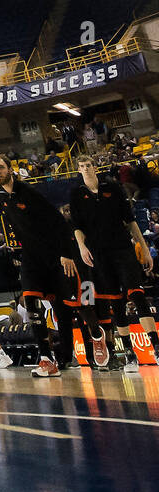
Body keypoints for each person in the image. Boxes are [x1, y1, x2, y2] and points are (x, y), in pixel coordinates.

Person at [0, 152, 83, 378]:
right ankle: (45, 358)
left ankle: (65, 356)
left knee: (62, 308)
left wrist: (66, 254)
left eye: (1, 167)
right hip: (30, 256)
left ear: (10, 169)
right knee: (30, 300)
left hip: (54, 254)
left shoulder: (28, 193)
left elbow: (58, 222)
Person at [69, 156, 157, 371]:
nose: (86, 169)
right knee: (115, 303)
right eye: (82, 166)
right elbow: (77, 226)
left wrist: (144, 248)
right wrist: (82, 247)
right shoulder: (77, 194)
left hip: (122, 248)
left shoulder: (113, 188)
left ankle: (156, 346)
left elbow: (131, 221)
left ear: (95, 167)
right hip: (98, 254)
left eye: (89, 165)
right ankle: (130, 355)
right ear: (78, 170)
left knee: (137, 294)